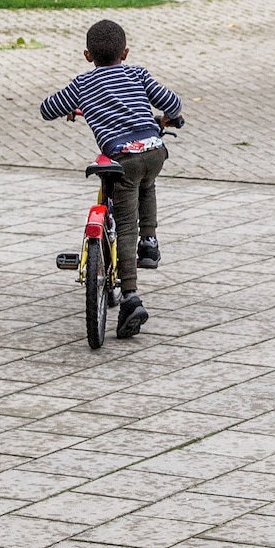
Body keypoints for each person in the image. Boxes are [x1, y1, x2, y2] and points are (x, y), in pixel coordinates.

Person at [39, 18, 182, 339]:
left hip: (120, 158)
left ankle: (131, 296)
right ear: (126, 52)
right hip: (153, 149)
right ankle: (150, 241)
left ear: (88, 55)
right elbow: (172, 102)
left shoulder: (82, 85)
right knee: (148, 180)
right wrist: (172, 117)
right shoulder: (138, 74)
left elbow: (46, 109)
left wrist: (75, 104)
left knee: (125, 219)